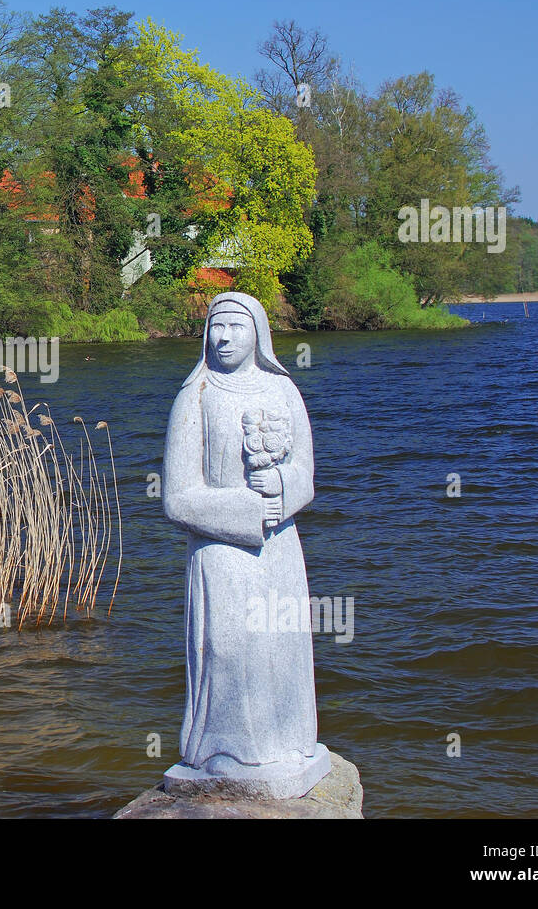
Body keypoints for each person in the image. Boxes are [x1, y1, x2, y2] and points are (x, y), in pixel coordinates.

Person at [162, 291, 327, 793]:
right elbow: (178, 498)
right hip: (222, 552)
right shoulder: (196, 396)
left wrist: (281, 489)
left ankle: (287, 744)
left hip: (279, 549)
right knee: (231, 649)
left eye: (235, 325)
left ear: (259, 333)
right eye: (215, 326)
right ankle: (223, 754)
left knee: (280, 647)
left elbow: (308, 473)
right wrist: (249, 512)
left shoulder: (283, 392)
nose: (224, 336)